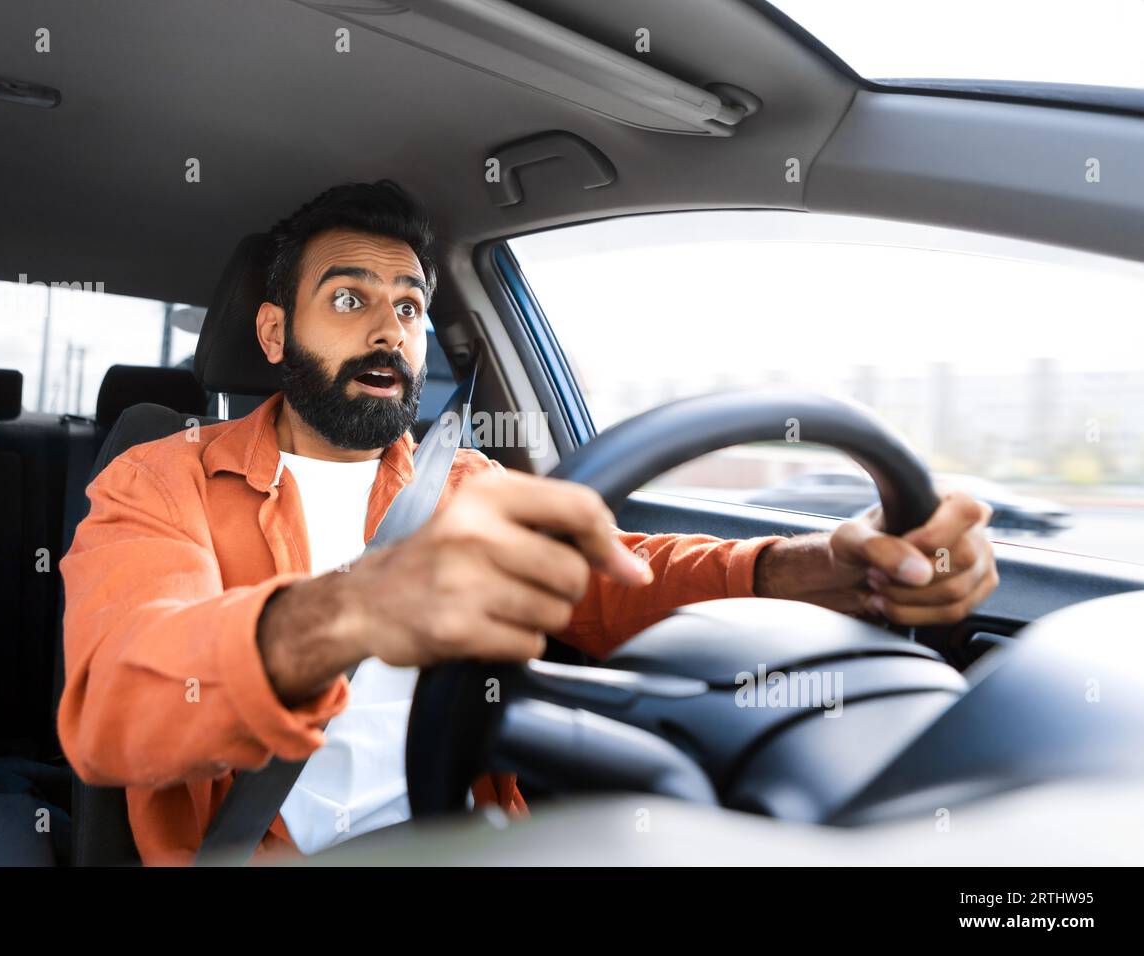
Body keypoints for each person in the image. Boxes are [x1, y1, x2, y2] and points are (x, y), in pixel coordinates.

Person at [58, 180, 998, 865]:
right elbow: (114, 704)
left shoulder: (462, 480)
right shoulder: (160, 477)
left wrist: (806, 569)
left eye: (410, 307)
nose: (389, 331)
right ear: (274, 335)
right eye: (349, 300)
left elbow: (626, 571)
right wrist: (352, 610)